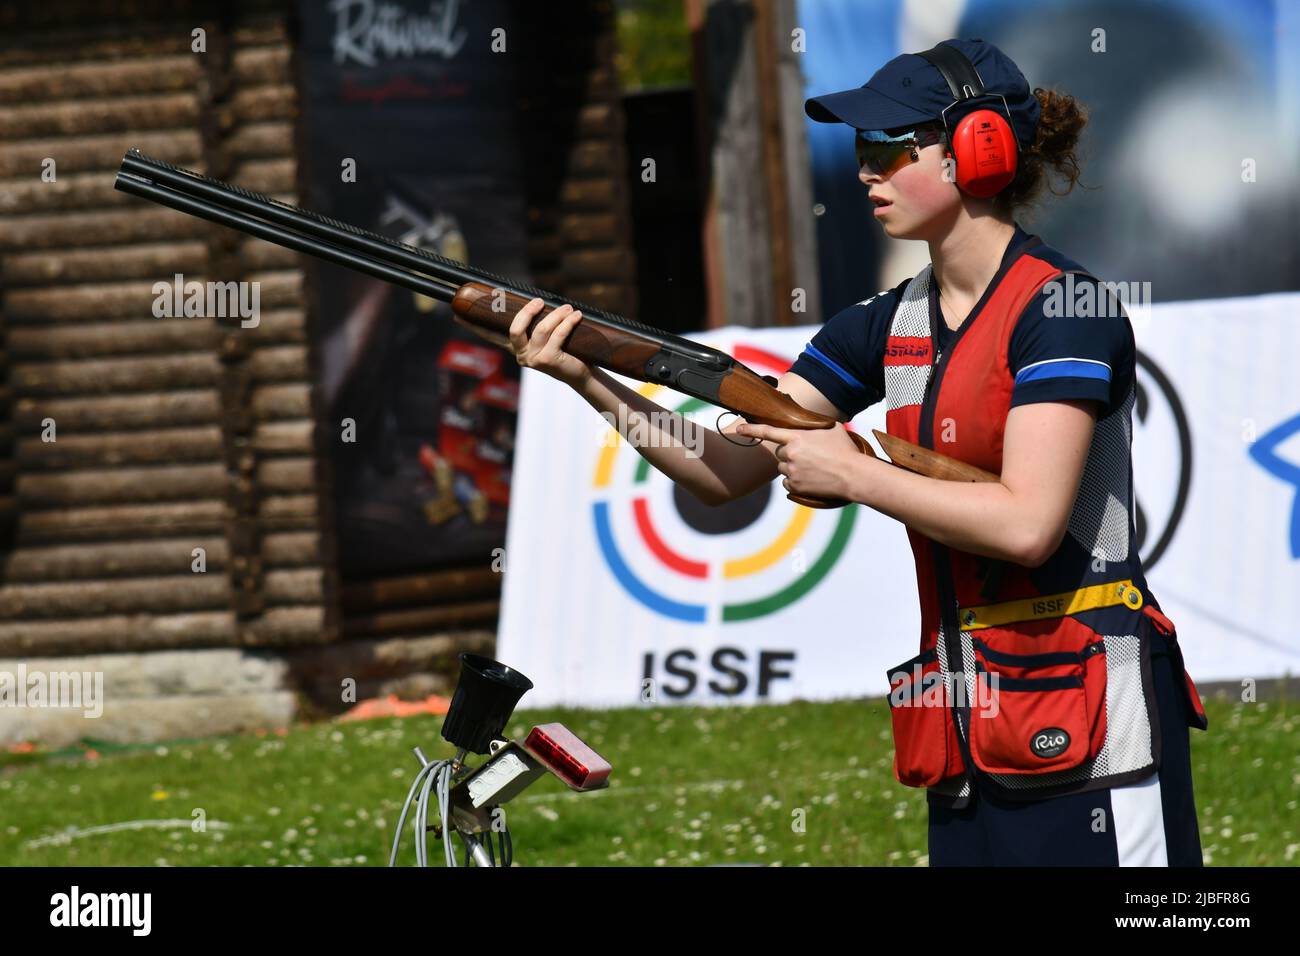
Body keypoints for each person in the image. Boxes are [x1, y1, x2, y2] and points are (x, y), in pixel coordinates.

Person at [505, 38, 1208, 866]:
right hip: (963, 725)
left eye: (888, 148)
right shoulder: (885, 323)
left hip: (1091, 717)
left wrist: (857, 475)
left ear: (978, 151)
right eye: (860, 149)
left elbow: (1028, 526)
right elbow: (724, 471)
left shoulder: (1066, 308)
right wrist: (588, 377)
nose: (865, 169)